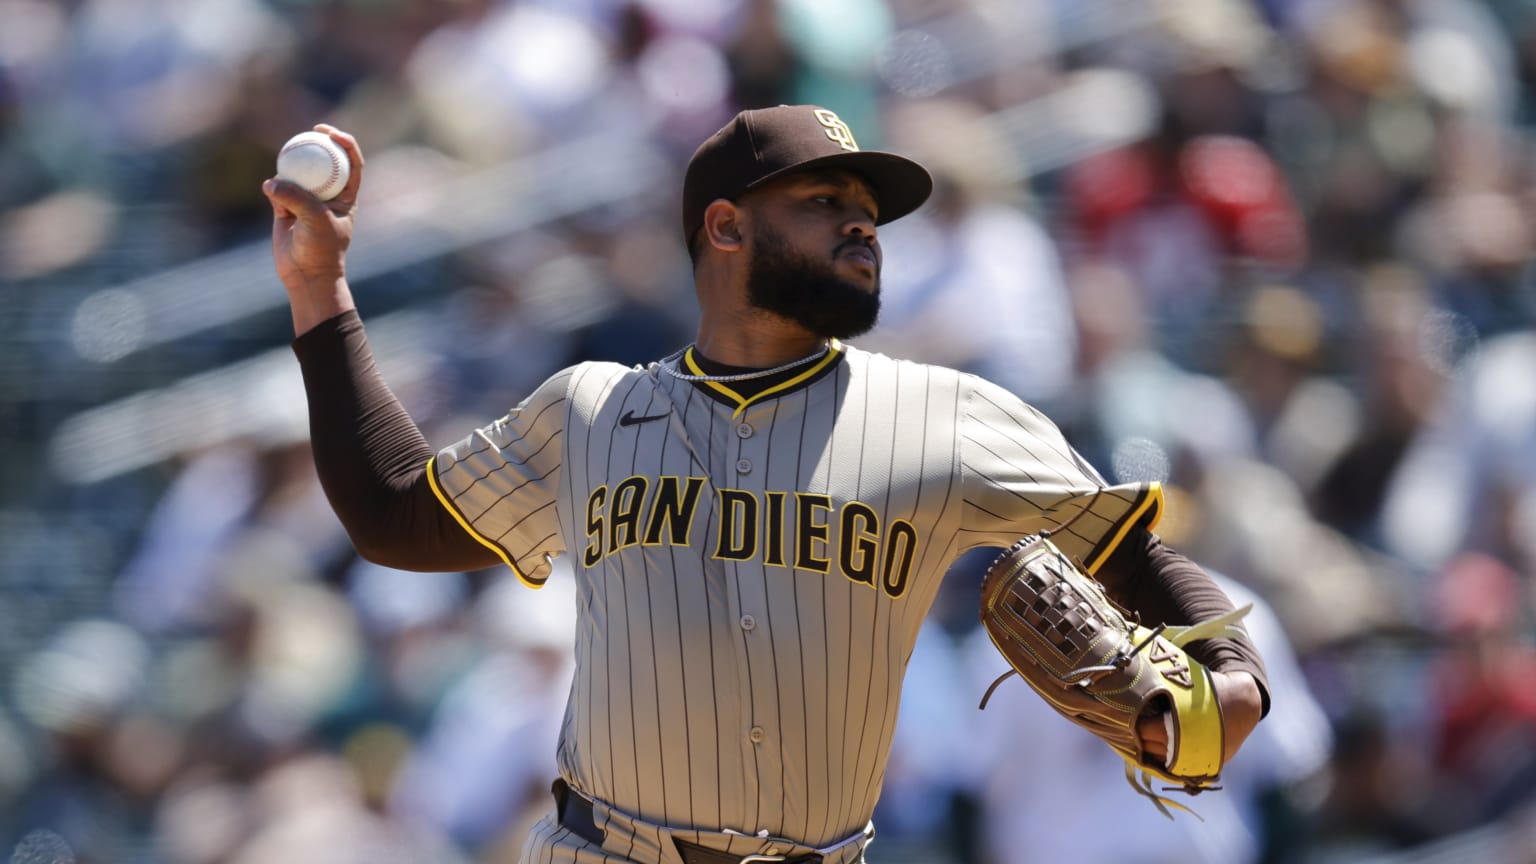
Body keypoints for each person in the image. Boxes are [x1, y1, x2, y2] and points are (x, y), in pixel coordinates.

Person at [262, 105, 1269, 864]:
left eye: (869, 214)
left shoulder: (950, 416)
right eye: (826, 204)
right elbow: (397, 512)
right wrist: (319, 289)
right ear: (728, 229)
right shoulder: (590, 410)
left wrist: (1233, 679)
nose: (863, 229)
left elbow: (1132, 552)